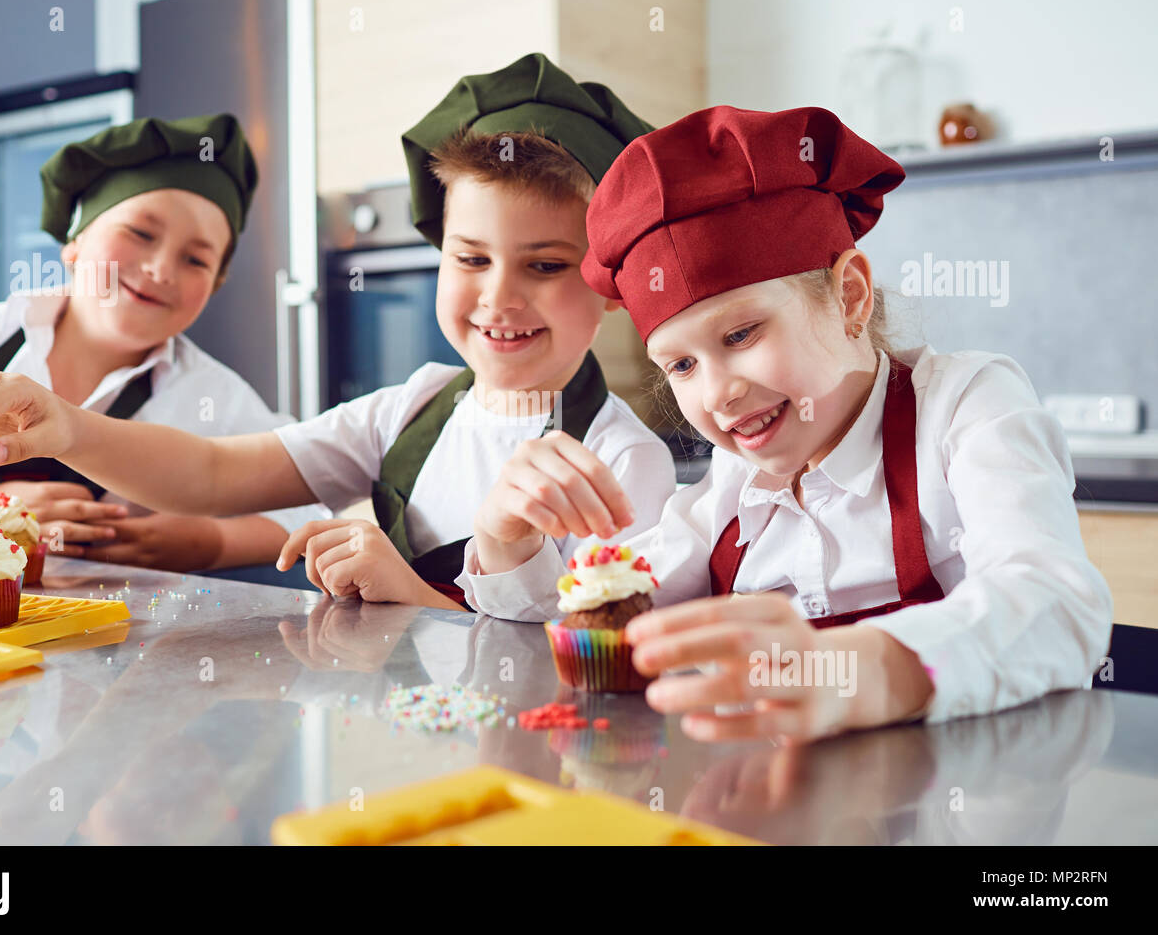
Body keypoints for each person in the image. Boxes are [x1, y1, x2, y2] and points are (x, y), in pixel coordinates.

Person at [0, 54, 677, 609]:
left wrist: (409, 593)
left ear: (610, 284)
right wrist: (67, 428)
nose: (498, 297)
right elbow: (216, 474)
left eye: (545, 265)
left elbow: (601, 673)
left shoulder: (621, 463)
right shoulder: (412, 408)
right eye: (470, 258)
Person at [465, 105, 1112, 741]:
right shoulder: (731, 484)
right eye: (683, 365)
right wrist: (507, 540)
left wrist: (877, 668)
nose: (719, 391)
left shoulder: (966, 407)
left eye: (742, 333)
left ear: (850, 295)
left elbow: (1058, 604)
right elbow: (598, 629)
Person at [0, 113, 327, 573]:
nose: (161, 269)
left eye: (196, 260)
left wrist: (208, 544)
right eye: (140, 233)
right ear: (74, 242)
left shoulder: (214, 397)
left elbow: (307, 512)